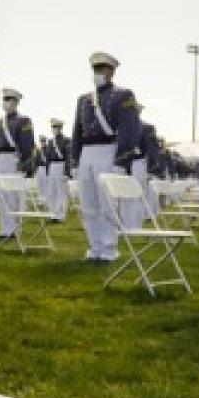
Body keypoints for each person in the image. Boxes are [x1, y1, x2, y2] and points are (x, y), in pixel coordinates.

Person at [72, 52, 141, 259]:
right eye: (96, 69)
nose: (99, 73)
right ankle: (94, 248)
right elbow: (77, 132)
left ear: (112, 71)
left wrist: (122, 160)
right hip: (87, 153)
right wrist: (75, 160)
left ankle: (109, 249)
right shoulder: (84, 99)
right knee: (88, 204)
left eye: (103, 69)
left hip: (107, 151)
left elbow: (130, 129)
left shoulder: (123, 95)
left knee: (106, 204)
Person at [0, 88, 34, 239]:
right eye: (5, 99)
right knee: (2, 195)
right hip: (2, 159)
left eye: (10, 99)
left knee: (14, 195)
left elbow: (27, 144)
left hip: (14, 158)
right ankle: (4, 229)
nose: (7, 102)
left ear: (17, 102)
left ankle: (15, 229)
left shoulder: (24, 120)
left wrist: (25, 163)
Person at [40, 119, 71, 222]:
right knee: (52, 192)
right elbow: (48, 158)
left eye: (56, 127)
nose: (54, 129)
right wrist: (48, 172)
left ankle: (61, 215)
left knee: (61, 192)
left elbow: (68, 157)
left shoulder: (66, 140)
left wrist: (66, 172)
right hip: (52, 166)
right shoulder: (50, 141)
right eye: (53, 127)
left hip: (61, 165)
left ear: (60, 128)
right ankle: (53, 214)